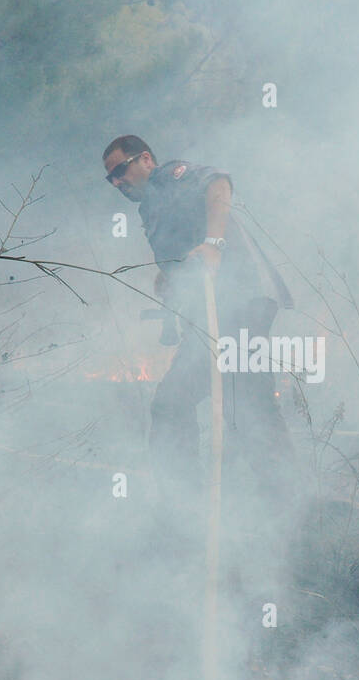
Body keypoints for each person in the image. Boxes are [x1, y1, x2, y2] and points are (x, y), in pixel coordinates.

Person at [101, 135, 296, 524]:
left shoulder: (170, 177)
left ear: (146, 160)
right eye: (111, 180)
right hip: (217, 313)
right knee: (236, 406)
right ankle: (266, 511)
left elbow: (219, 184)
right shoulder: (151, 208)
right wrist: (170, 275)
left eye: (121, 171)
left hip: (241, 301)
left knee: (213, 403)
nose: (118, 183)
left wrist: (213, 244)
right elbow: (184, 250)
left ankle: (206, 511)